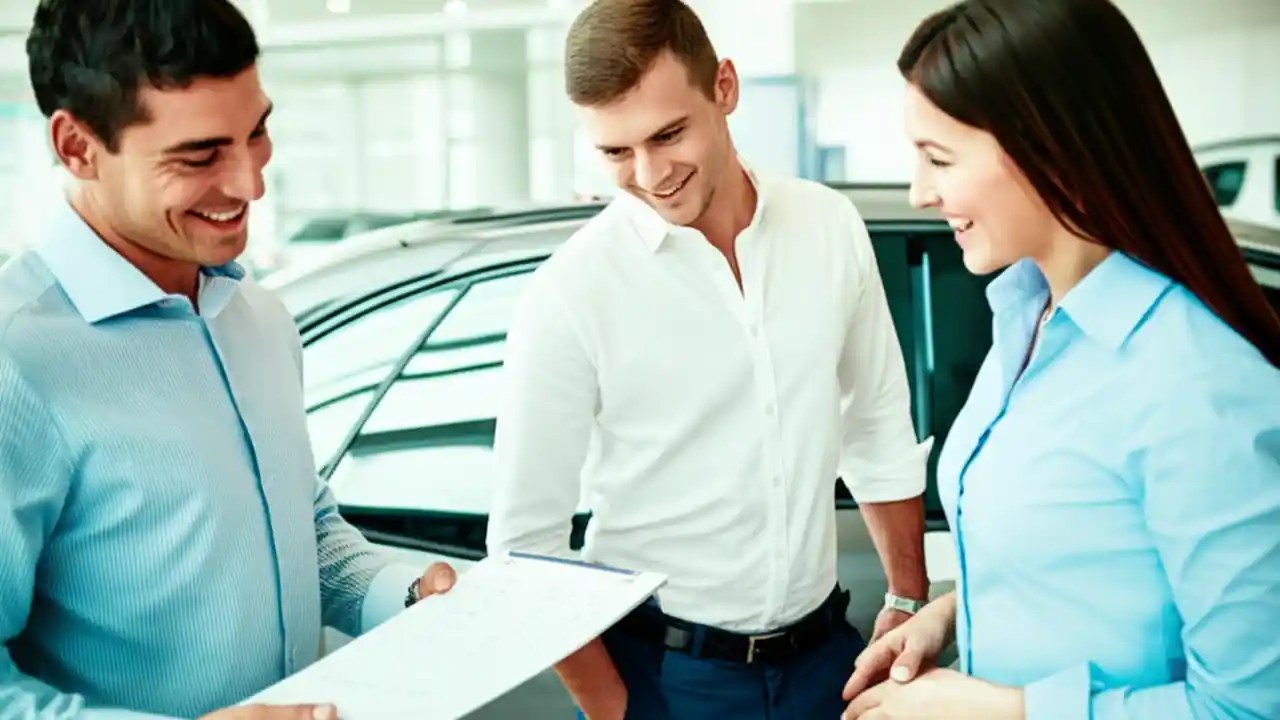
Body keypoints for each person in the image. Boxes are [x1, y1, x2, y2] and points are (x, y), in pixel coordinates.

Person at [0, 2, 456, 718]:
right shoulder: (15, 364)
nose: (250, 184)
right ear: (77, 146)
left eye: (258, 131)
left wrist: (402, 593)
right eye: (201, 155)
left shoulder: (258, 318)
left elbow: (298, 526)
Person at [486, 1, 934, 717]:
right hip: (662, 680)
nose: (649, 173)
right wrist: (616, 711)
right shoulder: (572, 292)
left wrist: (907, 598)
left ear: (724, 87)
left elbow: (876, 423)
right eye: (615, 152)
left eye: (668, 134)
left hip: (828, 665)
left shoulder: (828, 227)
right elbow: (524, 549)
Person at [841, 1, 1280, 719]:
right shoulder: (1026, 318)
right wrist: (949, 617)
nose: (921, 192)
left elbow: (1252, 708)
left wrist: (999, 710)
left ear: (1047, 147)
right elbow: (1088, 564)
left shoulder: (1197, 382)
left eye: (939, 159)